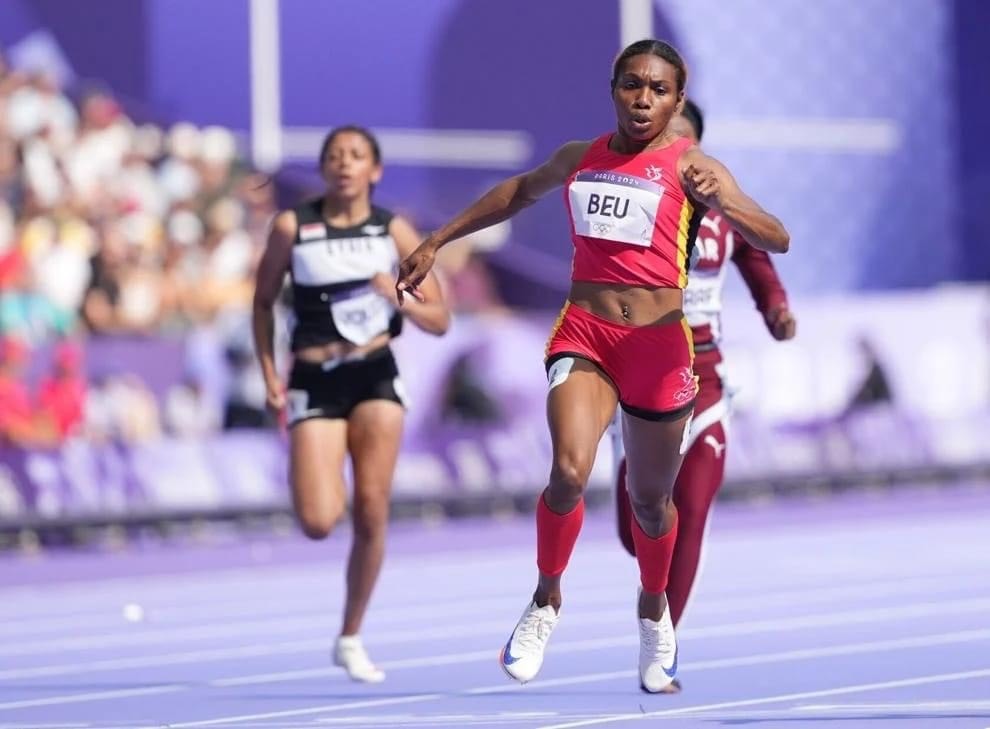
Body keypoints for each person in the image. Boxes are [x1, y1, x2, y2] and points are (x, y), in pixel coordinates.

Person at [396, 39, 789, 692]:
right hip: (586, 335)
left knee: (651, 503)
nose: (643, 99)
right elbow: (516, 193)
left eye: (658, 89)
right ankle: (546, 599)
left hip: (661, 348)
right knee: (568, 472)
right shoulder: (582, 159)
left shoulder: (695, 166)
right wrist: (436, 241)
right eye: (632, 85)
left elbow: (776, 236)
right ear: (613, 89)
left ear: (677, 100)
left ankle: (653, 609)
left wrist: (724, 200)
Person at [611, 99, 796, 692]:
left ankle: (661, 647)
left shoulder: (723, 211)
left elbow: (759, 258)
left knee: (689, 514)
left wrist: (775, 308)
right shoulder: (634, 205)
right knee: (636, 527)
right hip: (643, 381)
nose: (680, 161)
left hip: (707, 382)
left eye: (687, 146)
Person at [252, 125, 449, 683]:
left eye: (356, 156)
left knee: (372, 506)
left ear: (375, 171)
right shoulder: (294, 227)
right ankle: (323, 493)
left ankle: (351, 633)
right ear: (322, 169)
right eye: (335, 156)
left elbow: (440, 319)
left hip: (375, 375)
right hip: (315, 376)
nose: (345, 164)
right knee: (318, 520)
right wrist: (270, 373)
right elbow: (262, 302)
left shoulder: (392, 231)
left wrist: (402, 301)